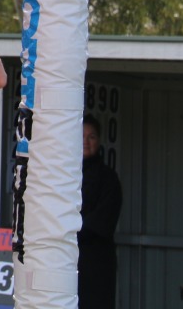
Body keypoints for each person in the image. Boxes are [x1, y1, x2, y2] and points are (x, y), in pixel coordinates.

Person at [78, 115, 122, 309]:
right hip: (65, 261)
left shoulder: (108, 179)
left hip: (96, 262)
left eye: (92, 137)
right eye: (81, 136)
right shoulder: (63, 175)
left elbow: (102, 222)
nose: (86, 142)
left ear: (99, 141)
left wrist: (71, 230)